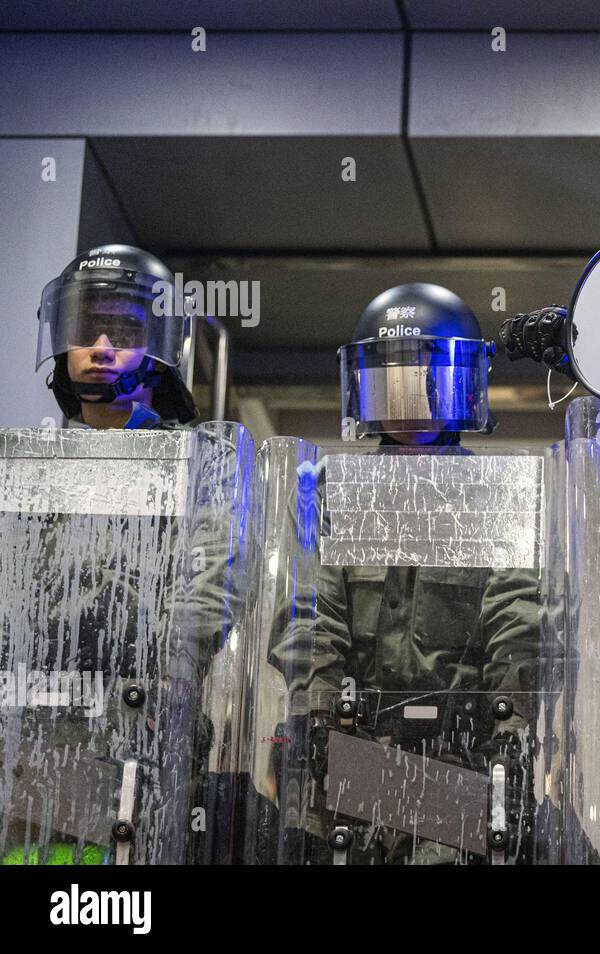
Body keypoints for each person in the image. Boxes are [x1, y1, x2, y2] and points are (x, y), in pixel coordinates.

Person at [263, 283, 543, 865]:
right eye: (390, 379)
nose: (408, 397)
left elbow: (520, 620)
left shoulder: (499, 498)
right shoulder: (330, 490)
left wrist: (510, 734)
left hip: (460, 757)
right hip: (346, 755)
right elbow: (309, 612)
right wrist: (317, 717)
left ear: (462, 385)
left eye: (426, 377)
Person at [2, 246, 240, 865]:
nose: (102, 345)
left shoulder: (202, 461)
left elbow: (210, 586)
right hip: (28, 735)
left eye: (126, 331)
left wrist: (170, 677)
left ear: (159, 346)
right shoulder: (25, 464)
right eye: (86, 330)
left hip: (143, 732)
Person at [38, 244, 198, 430]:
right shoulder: (34, 454)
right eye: (84, 331)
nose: (100, 349)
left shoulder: (200, 455)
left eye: (124, 333)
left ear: (160, 359)